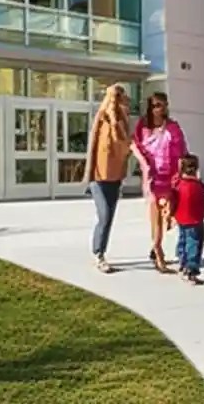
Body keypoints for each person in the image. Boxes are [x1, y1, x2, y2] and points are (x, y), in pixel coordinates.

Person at [132, 92, 188, 273]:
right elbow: (134, 146)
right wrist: (144, 163)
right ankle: (158, 252)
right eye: (156, 105)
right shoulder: (143, 127)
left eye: (163, 105)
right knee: (155, 216)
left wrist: (185, 173)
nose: (160, 108)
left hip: (171, 177)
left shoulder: (173, 127)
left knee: (169, 216)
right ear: (150, 107)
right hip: (153, 178)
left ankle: (156, 247)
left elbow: (182, 151)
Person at [85, 84, 131, 274]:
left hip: (115, 176)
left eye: (118, 96)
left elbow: (124, 144)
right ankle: (98, 253)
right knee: (104, 214)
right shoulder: (101, 118)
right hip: (98, 176)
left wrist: (116, 121)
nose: (115, 100)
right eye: (113, 96)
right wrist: (88, 175)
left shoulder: (121, 121)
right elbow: (93, 145)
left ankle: (101, 250)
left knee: (109, 217)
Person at [170, 153, 204, 284]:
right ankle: (191, 269)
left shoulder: (178, 184)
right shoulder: (197, 185)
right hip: (195, 219)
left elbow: (173, 200)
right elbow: (202, 199)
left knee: (184, 239)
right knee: (194, 243)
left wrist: (171, 215)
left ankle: (182, 263)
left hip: (181, 218)